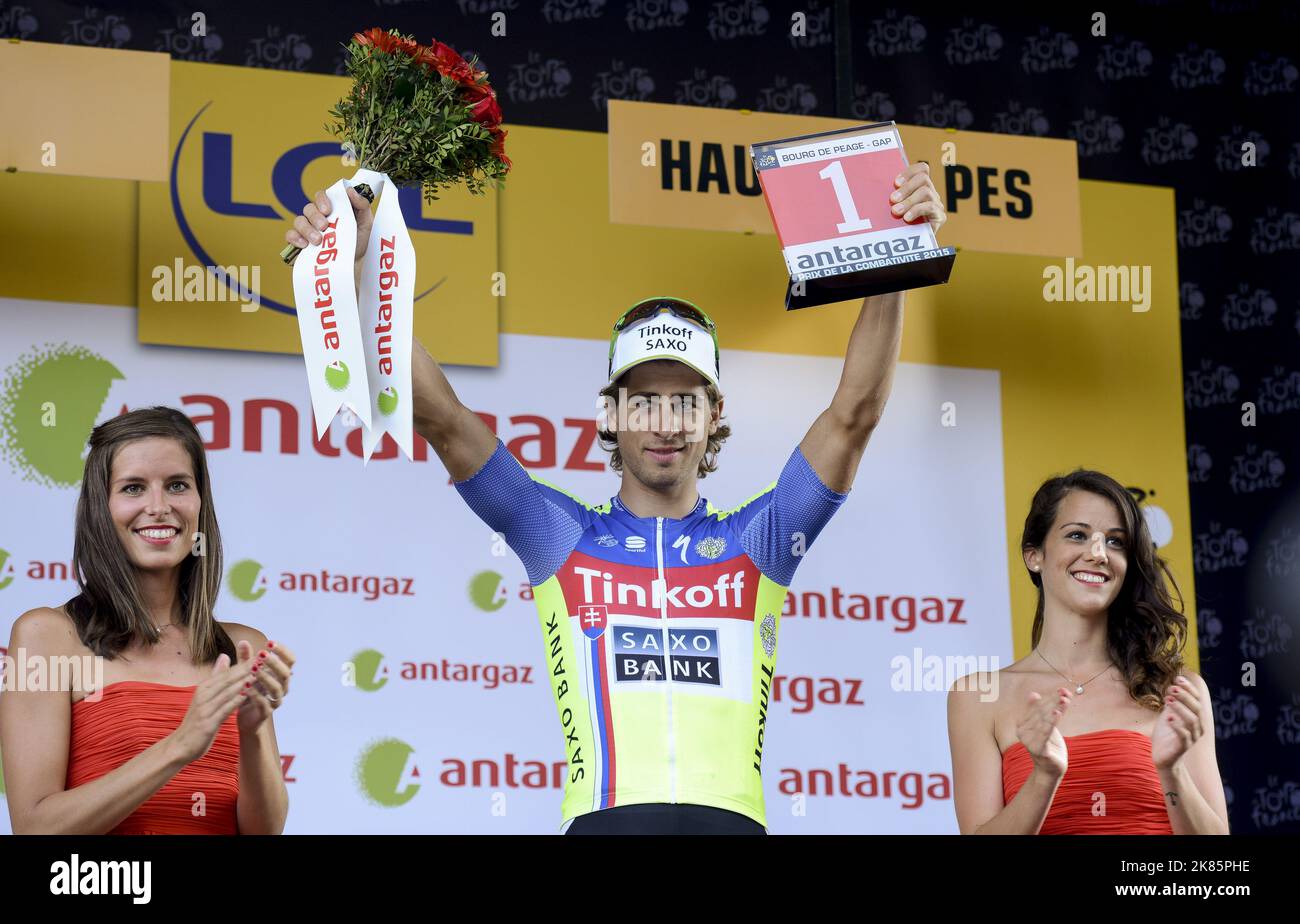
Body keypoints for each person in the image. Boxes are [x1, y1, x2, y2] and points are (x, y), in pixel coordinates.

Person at [285, 162, 946, 834]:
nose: (665, 424)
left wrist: (895, 253)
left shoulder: (761, 540)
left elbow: (853, 413)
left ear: (715, 414)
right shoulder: (556, 532)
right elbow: (445, 420)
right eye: (644, 402)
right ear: (610, 415)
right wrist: (361, 273)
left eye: (685, 401)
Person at [0, 407, 295, 834]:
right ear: (102, 509)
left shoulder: (241, 645)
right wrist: (179, 745)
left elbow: (262, 831)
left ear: (199, 502)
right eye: (133, 488)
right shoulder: (46, 636)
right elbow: (35, 828)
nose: (158, 508)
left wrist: (251, 732)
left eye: (177, 485)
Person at [947, 470, 1229, 834]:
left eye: (1115, 542)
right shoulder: (976, 697)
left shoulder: (1177, 690)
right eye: (1077, 535)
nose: (1098, 554)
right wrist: (1044, 777)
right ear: (1034, 555)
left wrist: (1172, 772)